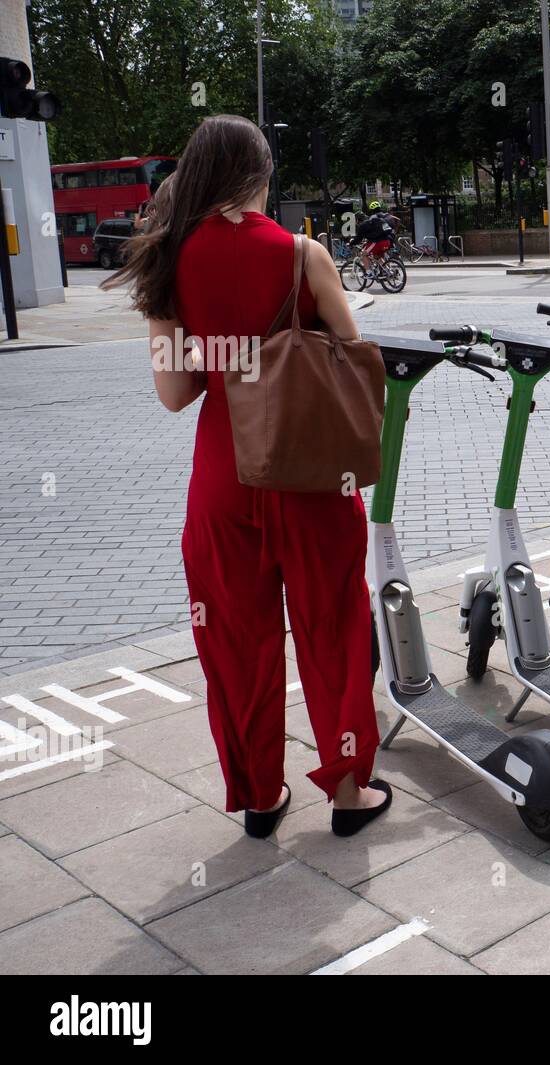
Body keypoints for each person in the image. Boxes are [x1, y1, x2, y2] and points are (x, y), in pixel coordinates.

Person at [102, 114, 391, 839]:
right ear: (263, 172)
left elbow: (175, 394)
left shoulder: (171, 259)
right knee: (333, 628)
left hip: (224, 484)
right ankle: (349, 793)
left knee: (236, 640)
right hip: (311, 477)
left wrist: (224, 356)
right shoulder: (303, 255)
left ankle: (261, 796)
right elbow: (347, 360)